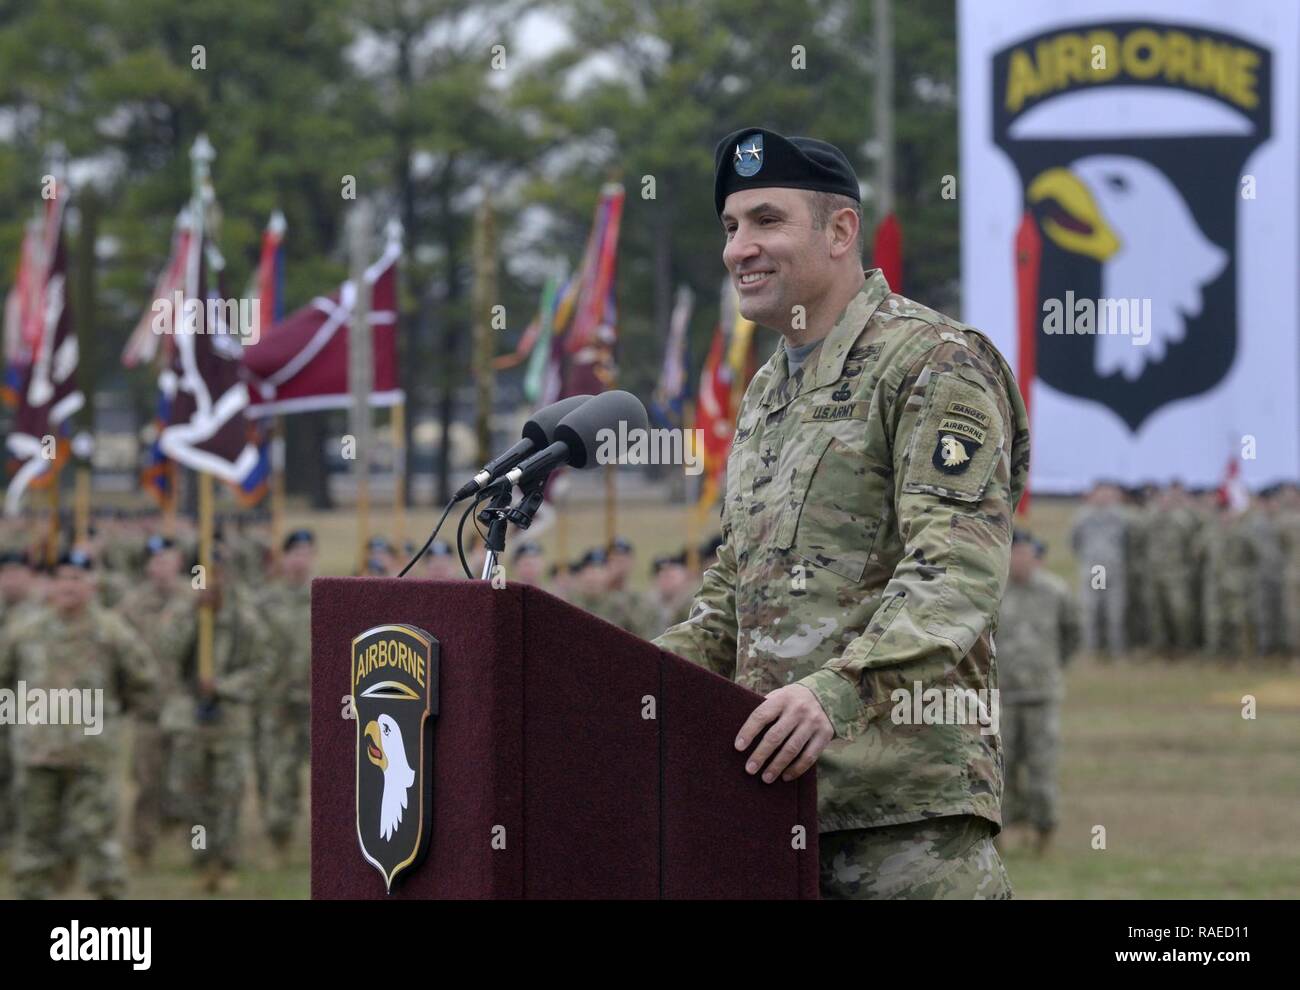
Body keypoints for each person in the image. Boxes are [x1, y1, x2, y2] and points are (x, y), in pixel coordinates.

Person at [653, 126, 1030, 900]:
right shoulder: (767, 394)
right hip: (770, 807)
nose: (739, 249)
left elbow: (954, 571)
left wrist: (835, 695)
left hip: (905, 822)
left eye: (766, 221)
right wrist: (622, 683)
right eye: (730, 228)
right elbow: (734, 595)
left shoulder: (931, 361)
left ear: (840, 231)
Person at [0, 550, 157, 898]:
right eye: (62, 577)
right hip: (37, 755)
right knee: (35, 842)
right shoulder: (25, 631)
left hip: (91, 757)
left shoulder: (112, 632)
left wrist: (109, 718)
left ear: (92, 585)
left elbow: (143, 680)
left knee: (97, 837)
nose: (69, 585)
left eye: (77, 578)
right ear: (51, 585)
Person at [163, 551, 271, 893]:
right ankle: (200, 855)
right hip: (190, 721)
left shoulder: (246, 621)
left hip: (230, 721)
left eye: (214, 574)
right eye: (200, 576)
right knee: (191, 793)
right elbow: (167, 653)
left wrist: (224, 686)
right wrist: (195, 617)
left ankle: (224, 861)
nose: (208, 582)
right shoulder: (184, 615)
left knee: (228, 794)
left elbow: (263, 668)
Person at [996, 531, 1079, 856]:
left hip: (1042, 696)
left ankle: (1044, 830)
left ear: (1037, 557)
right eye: (1015, 554)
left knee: (1042, 767)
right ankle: (998, 833)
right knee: (1000, 767)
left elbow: (1072, 633)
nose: (1020, 560)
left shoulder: (1055, 591)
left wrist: (1053, 667)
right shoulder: (995, 590)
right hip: (1001, 696)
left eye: (1027, 554)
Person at [119, 535, 189, 864]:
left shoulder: (194, 600)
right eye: (155, 560)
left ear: (178, 561)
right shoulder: (131, 606)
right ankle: (141, 846)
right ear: (147, 565)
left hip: (185, 705)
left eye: (167, 559)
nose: (161, 567)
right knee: (147, 782)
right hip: (149, 708)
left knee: (187, 779)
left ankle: (193, 846)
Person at [258, 529, 315, 861]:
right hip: (277, 700)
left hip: (316, 699)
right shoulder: (266, 601)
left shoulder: (324, 596)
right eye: (294, 552)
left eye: (307, 551)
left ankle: (329, 837)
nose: (300, 559)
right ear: (284, 558)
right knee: (279, 770)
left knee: (329, 772)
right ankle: (278, 838)